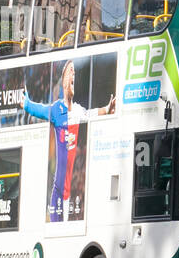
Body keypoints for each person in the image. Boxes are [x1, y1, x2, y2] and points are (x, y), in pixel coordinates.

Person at [22, 60, 115, 222]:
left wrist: (107, 109)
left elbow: (92, 113)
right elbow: (36, 109)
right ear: (64, 81)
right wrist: (26, 103)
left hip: (71, 195)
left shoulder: (78, 111)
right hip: (59, 193)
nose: (73, 75)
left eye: (74, 72)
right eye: (70, 71)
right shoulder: (56, 109)